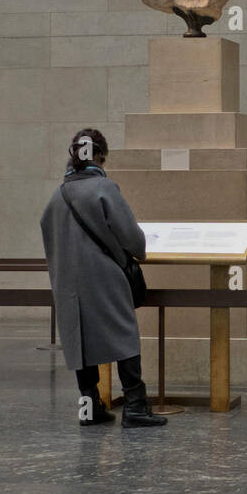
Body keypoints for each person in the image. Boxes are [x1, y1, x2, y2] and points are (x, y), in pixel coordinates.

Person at [39, 128, 166, 428]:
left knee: (80, 342)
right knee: (124, 336)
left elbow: (48, 236)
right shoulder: (104, 188)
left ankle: (90, 406)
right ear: (101, 157)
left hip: (68, 283)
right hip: (105, 279)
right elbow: (134, 241)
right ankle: (135, 406)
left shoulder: (57, 196)